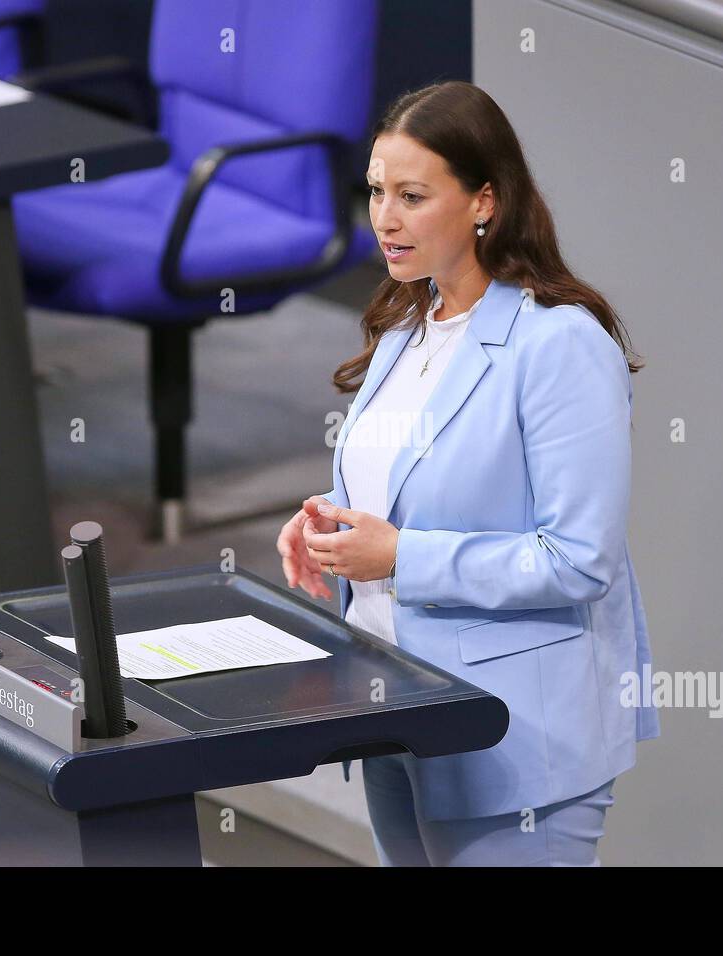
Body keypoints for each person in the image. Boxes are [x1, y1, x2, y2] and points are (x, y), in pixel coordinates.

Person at [276, 80, 659, 866]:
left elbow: (580, 559)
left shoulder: (559, 345)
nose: (385, 216)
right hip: (394, 704)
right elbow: (409, 488)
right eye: (378, 190)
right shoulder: (407, 322)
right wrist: (332, 520)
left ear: (484, 201)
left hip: (513, 742)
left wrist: (400, 557)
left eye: (413, 195)